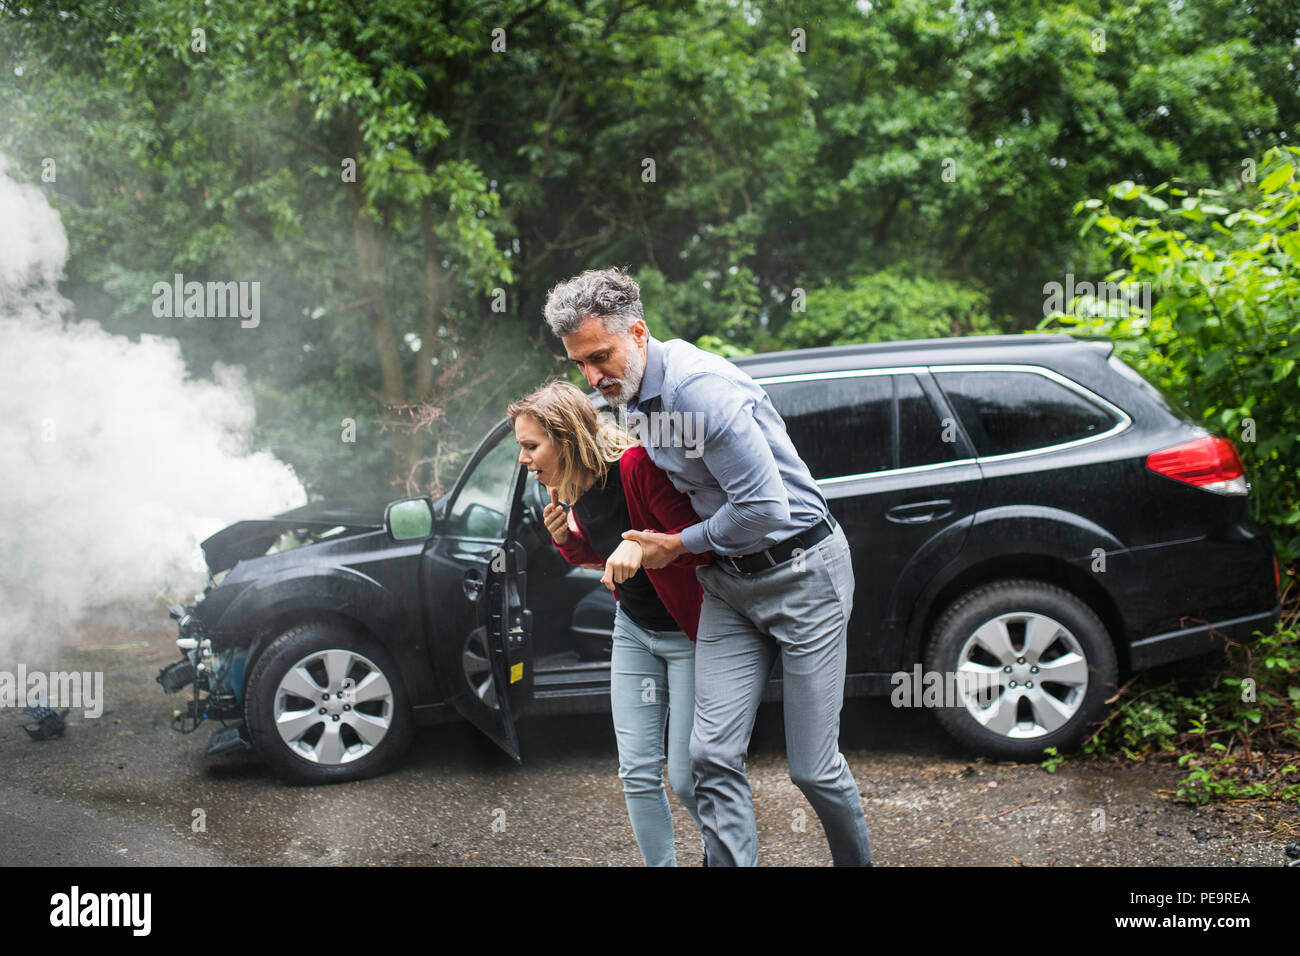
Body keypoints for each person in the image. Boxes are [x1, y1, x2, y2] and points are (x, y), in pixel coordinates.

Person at [541, 266, 872, 867]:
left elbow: (765, 509)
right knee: (709, 758)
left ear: (638, 333)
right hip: (728, 584)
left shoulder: (699, 390)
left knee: (813, 769)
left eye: (600, 357)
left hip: (802, 573)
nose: (592, 376)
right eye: (579, 365)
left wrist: (676, 544)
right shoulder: (635, 399)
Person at [508, 380, 714, 866]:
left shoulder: (636, 468)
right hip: (634, 630)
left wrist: (642, 545)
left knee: (686, 777)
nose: (524, 459)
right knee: (638, 771)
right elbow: (607, 559)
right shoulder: (568, 488)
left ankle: (726, 851)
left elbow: (695, 545)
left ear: (566, 438)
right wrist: (566, 542)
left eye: (531, 446)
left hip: (686, 634)